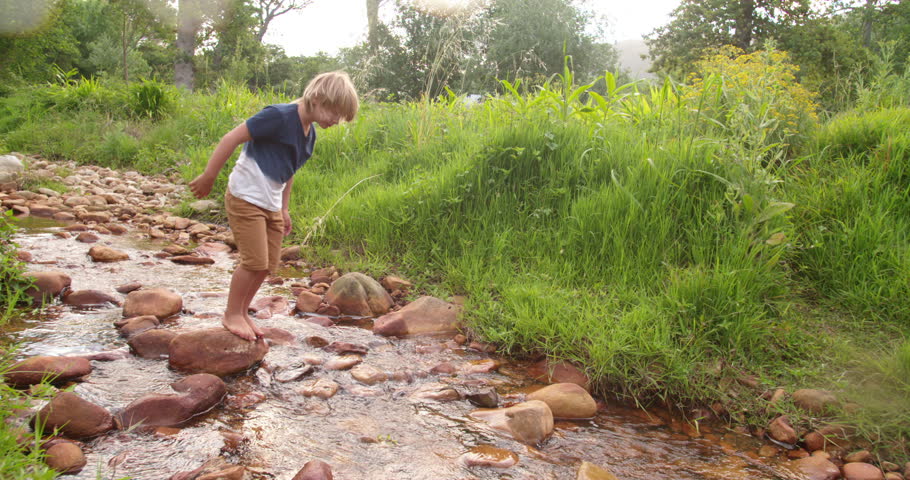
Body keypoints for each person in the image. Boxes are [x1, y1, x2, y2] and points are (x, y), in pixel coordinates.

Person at [188, 71, 359, 341]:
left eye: (341, 117)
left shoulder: (309, 134)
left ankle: (243, 312)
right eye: (335, 113)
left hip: (270, 202)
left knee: (268, 264)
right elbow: (230, 138)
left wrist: (283, 208)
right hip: (246, 196)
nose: (336, 121)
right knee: (253, 261)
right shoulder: (279, 116)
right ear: (317, 98)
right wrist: (209, 176)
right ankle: (231, 313)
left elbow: (288, 170)